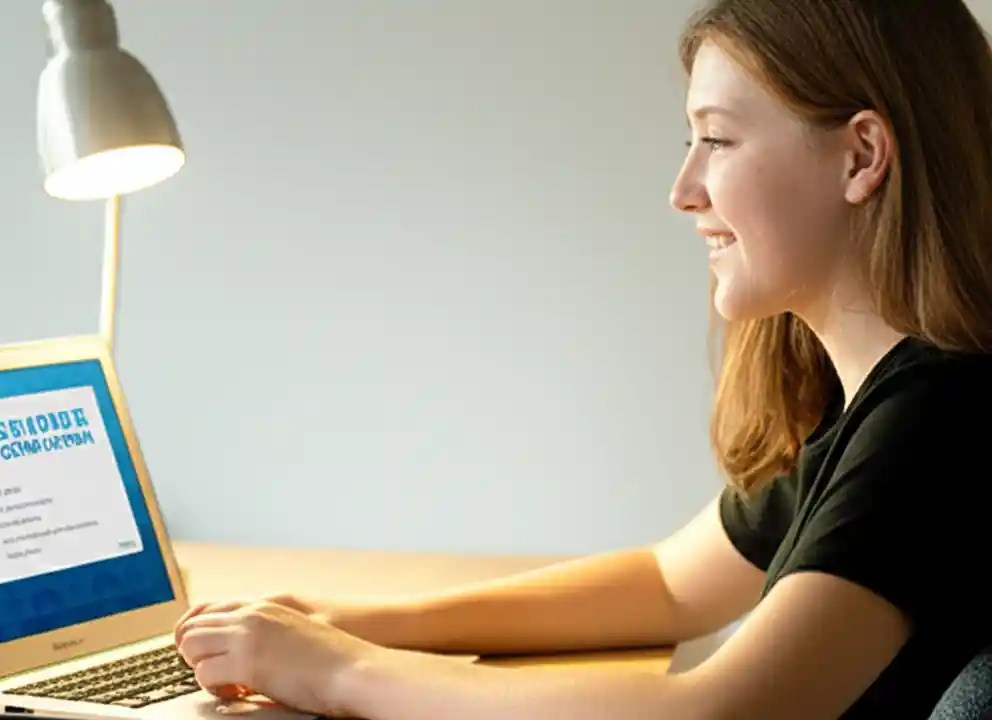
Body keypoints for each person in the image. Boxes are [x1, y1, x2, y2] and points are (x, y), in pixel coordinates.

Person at [172, 0, 992, 716]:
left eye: (717, 140)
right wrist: (350, 621)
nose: (683, 189)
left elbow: (722, 711)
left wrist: (340, 671)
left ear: (860, 157)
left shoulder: (937, 421)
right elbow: (669, 585)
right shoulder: (869, 406)